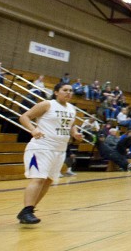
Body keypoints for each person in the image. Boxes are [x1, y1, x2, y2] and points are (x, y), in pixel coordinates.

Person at [16, 82, 82, 224]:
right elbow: (24, 117)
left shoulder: (72, 108)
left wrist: (75, 133)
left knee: (48, 180)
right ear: (56, 92)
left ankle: (28, 210)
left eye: (71, 90)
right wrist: (33, 129)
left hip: (60, 150)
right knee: (38, 178)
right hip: (41, 147)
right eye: (65, 90)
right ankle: (27, 210)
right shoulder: (47, 104)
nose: (69, 92)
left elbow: (71, 124)